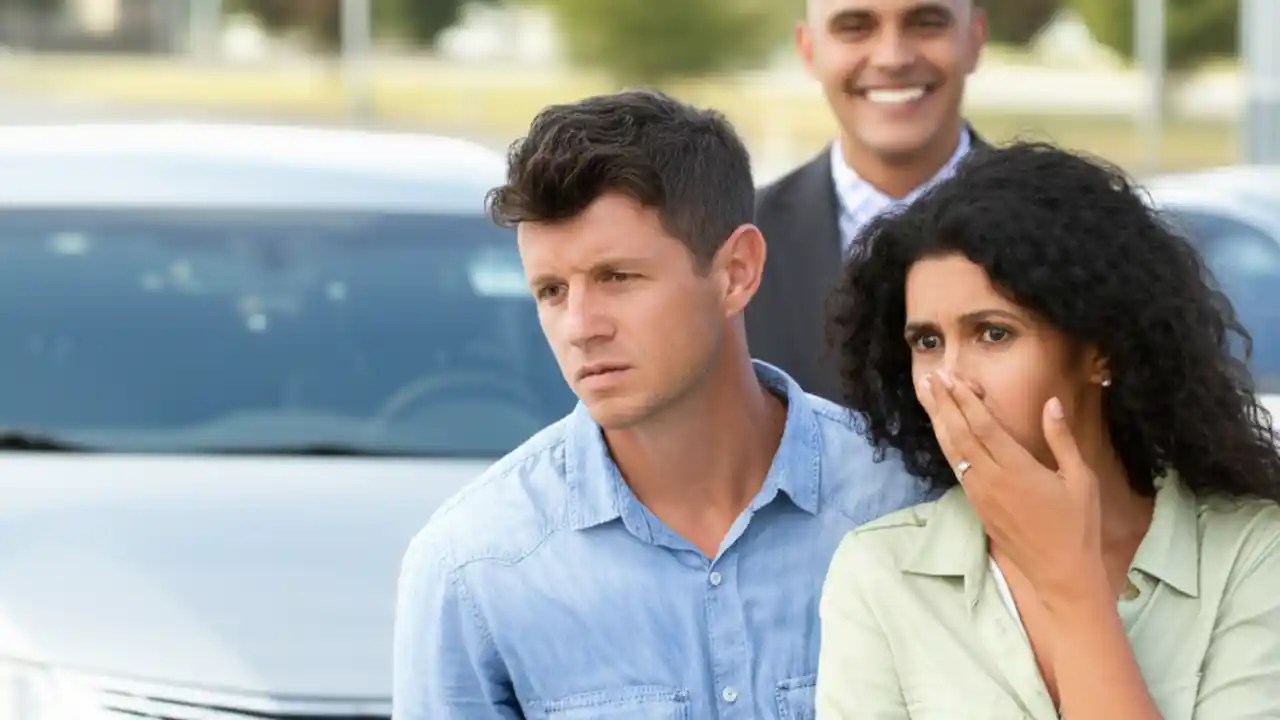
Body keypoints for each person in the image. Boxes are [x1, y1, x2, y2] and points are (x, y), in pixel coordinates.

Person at [391, 89, 929, 720]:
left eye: (617, 278)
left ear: (736, 272)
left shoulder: (904, 506)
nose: (580, 325)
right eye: (552, 290)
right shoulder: (472, 567)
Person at [816, 141, 1280, 718]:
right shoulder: (879, 572)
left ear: (1100, 351)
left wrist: (1072, 587)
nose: (952, 380)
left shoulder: (1255, 555)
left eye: (993, 333)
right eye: (927, 342)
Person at [748, 0, 990, 403]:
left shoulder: (1074, 232)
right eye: (855, 27)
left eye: (926, 23)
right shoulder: (727, 246)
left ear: (974, 38)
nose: (893, 58)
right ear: (809, 50)